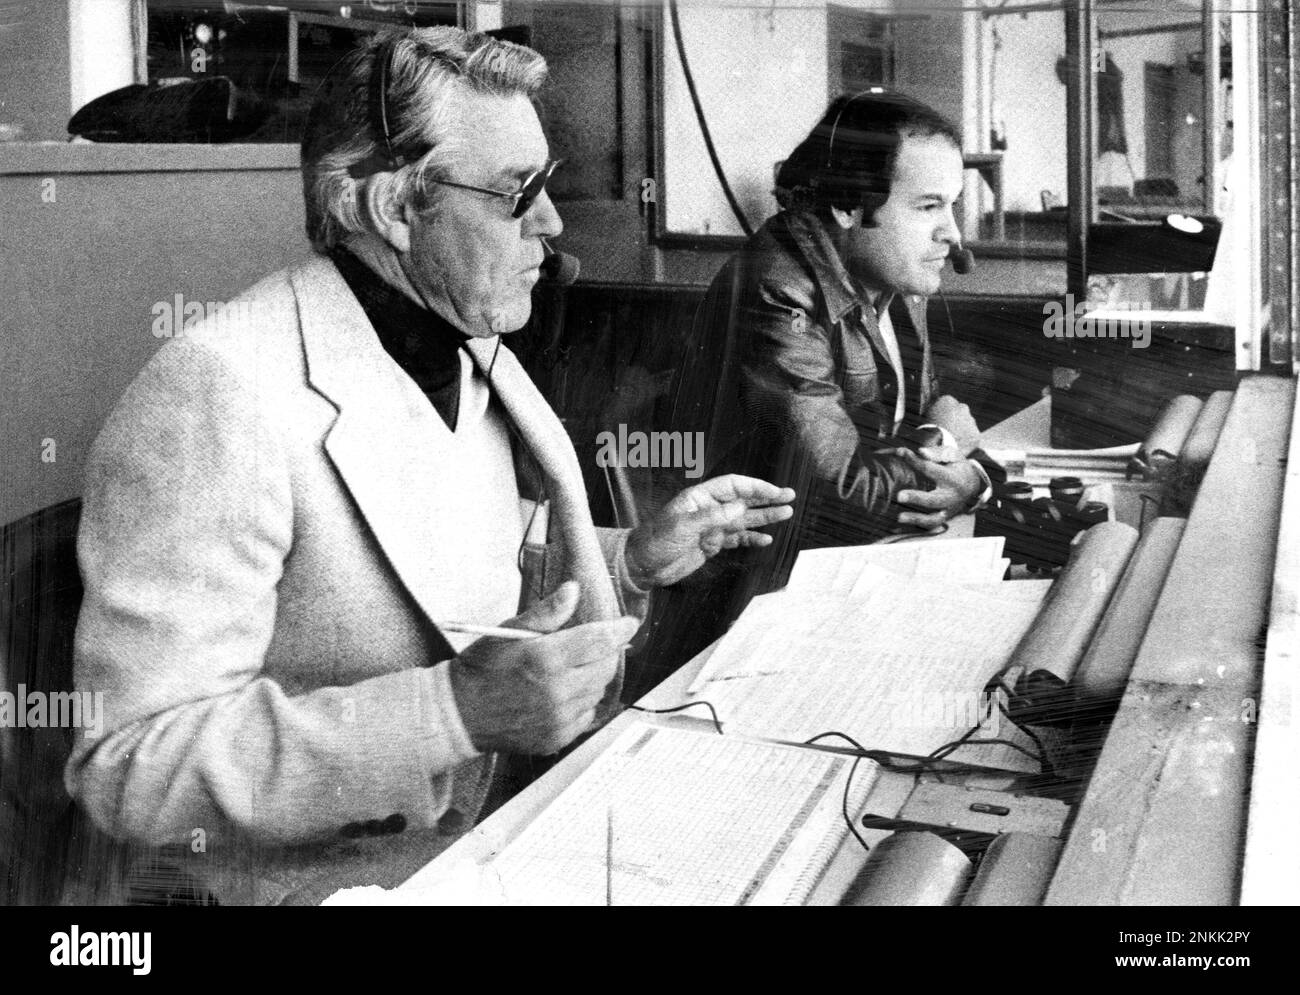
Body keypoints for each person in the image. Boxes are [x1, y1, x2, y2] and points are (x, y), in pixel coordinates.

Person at [64, 27, 793, 905]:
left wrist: (627, 557)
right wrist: (449, 713)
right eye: (518, 193)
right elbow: (129, 768)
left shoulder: (463, 344)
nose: (553, 224)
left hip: (490, 831)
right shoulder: (217, 394)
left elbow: (455, 561)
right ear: (394, 209)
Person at [646, 90, 1000, 683]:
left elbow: (926, 414)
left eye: (953, 206)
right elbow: (840, 493)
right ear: (846, 205)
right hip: (752, 613)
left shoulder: (888, 274)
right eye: (929, 207)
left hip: (850, 572)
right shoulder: (777, 289)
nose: (953, 235)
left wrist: (966, 468)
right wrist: (958, 457)